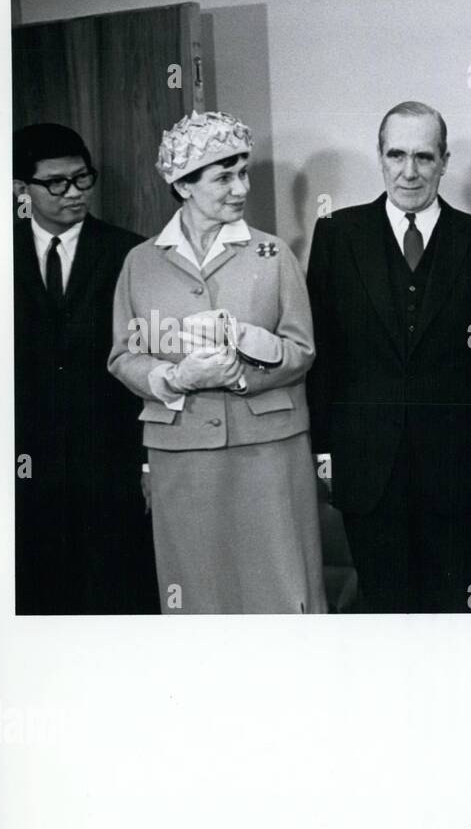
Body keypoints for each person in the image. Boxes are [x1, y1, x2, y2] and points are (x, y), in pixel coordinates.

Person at [108, 110, 326, 613]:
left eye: (243, 172)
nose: (240, 188)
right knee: (198, 591)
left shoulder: (273, 255)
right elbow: (123, 355)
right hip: (181, 451)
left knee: (281, 587)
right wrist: (176, 377)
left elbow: (302, 350)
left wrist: (243, 369)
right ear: (183, 185)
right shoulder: (140, 263)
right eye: (223, 176)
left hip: (269, 449)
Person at [305, 101, 471, 612]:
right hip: (367, 468)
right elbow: (322, 349)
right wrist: (325, 448)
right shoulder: (337, 233)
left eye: (424, 157)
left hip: (459, 470)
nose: (409, 171)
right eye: (396, 154)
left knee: (458, 610)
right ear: (380, 157)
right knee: (383, 612)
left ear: (444, 161)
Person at [13, 122, 157, 614]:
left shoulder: (131, 253)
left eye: (82, 178)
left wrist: (145, 461)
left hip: (109, 460)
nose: (73, 192)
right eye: (56, 182)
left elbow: (146, 363)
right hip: (27, 467)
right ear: (22, 189)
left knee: (117, 593)